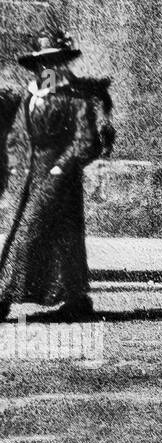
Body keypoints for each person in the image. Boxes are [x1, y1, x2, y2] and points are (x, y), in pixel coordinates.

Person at [0, 29, 106, 323]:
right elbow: (18, 135)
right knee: (62, 239)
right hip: (32, 175)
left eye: (54, 62)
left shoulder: (75, 98)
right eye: (42, 63)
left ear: (63, 64)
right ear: (35, 67)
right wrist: (16, 165)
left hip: (60, 177)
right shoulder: (30, 94)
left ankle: (2, 297)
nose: (47, 69)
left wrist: (62, 166)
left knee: (27, 231)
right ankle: (76, 299)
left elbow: (86, 141)